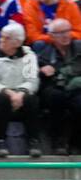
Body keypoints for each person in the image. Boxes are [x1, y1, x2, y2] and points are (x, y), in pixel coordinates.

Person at [0, 22, 42, 159]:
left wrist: (21, 94)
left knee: (32, 99)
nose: (1, 40)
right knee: (2, 99)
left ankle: (34, 141)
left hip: (21, 93)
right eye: (1, 37)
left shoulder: (29, 56)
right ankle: (0, 141)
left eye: (6, 38)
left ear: (17, 42)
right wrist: (10, 93)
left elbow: (33, 80)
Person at [35, 18, 81, 155]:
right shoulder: (43, 54)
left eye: (67, 31)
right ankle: (58, 142)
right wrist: (41, 71)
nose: (65, 35)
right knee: (56, 98)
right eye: (60, 33)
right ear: (51, 36)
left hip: (77, 88)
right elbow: (35, 76)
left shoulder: (79, 47)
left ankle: (76, 141)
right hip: (55, 89)